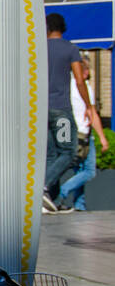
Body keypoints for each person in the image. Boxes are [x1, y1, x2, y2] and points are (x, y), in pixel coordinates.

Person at [43, 13, 93, 213]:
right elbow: (80, 80)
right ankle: (42, 187)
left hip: (41, 111)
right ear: (62, 28)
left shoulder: (38, 49)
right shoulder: (70, 49)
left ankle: (50, 200)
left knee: (51, 154)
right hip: (61, 111)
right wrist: (88, 106)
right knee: (68, 151)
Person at [57, 57, 108, 212]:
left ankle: (80, 205)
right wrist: (102, 137)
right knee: (89, 171)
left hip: (69, 131)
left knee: (79, 170)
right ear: (84, 72)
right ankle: (63, 191)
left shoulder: (66, 86)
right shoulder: (84, 87)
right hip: (84, 134)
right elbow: (92, 114)